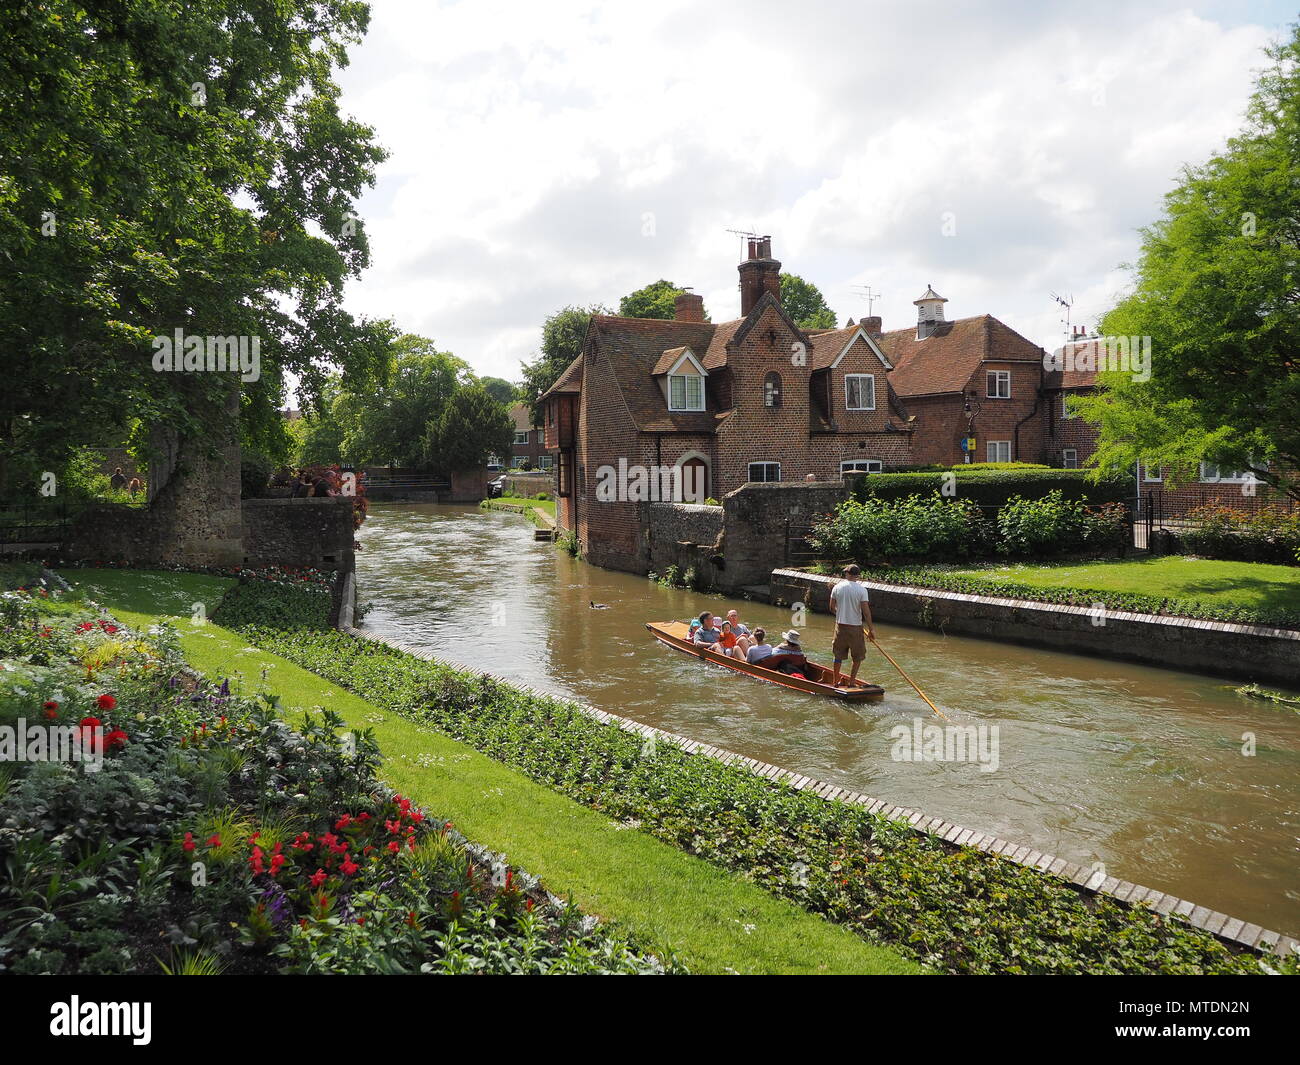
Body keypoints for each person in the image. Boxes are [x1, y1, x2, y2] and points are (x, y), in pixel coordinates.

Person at [830, 563, 875, 688]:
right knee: (857, 656)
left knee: (838, 655)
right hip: (856, 628)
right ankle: (852, 682)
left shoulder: (837, 588)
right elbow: (866, 612)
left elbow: (831, 607)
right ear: (857, 576)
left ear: (847, 574)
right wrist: (871, 630)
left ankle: (835, 682)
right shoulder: (862, 590)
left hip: (840, 626)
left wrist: (840, 614)